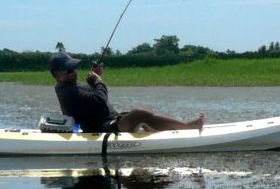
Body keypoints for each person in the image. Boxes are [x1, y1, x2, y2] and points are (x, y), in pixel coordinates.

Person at [49, 51, 204, 134]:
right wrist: (98, 81)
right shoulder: (66, 91)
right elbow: (99, 101)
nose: (74, 71)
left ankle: (171, 131)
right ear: (57, 74)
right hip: (101, 128)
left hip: (109, 121)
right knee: (139, 113)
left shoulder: (71, 85)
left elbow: (91, 98)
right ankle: (188, 127)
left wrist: (96, 76)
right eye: (69, 69)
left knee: (143, 116)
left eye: (74, 67)